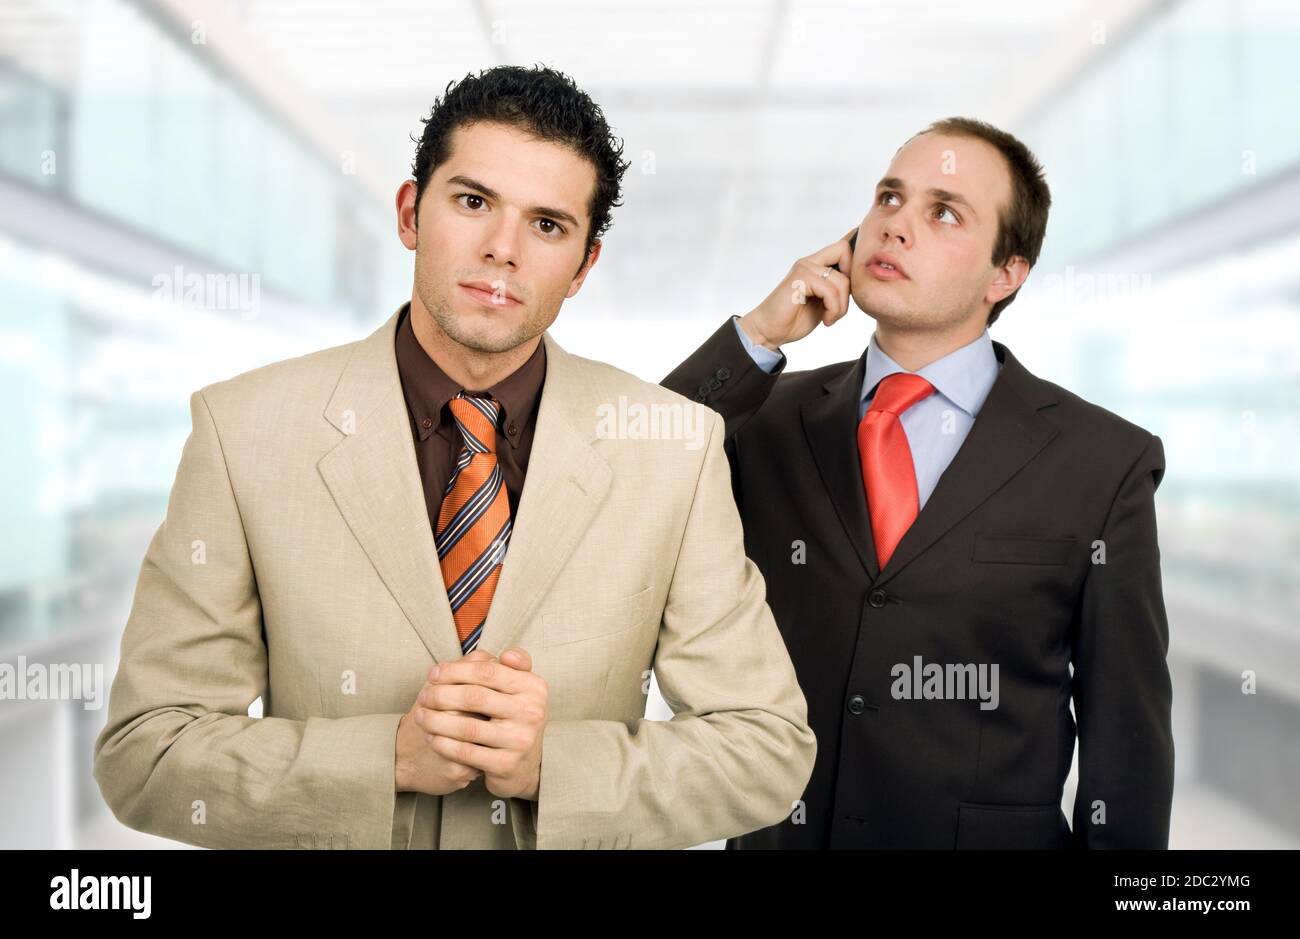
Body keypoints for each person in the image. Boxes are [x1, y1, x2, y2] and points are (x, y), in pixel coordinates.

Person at [94, 65, 815, 850]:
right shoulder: (242, 432)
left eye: (547, 225)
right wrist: (384, 760)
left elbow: (767, 751)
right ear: (410, 212)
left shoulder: (674, 450)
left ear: (583, 267)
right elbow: (147, 752)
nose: (503, 250)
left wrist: (553, 765)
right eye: (473, 202)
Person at [664, 117, 1174, 849]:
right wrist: (757, 338)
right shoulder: (769, 418)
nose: (897, 226)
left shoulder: (1101, 461)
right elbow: (629, 480)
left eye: (943, 212)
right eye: (888, 198)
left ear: (1007, 273)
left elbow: (1127, 741)